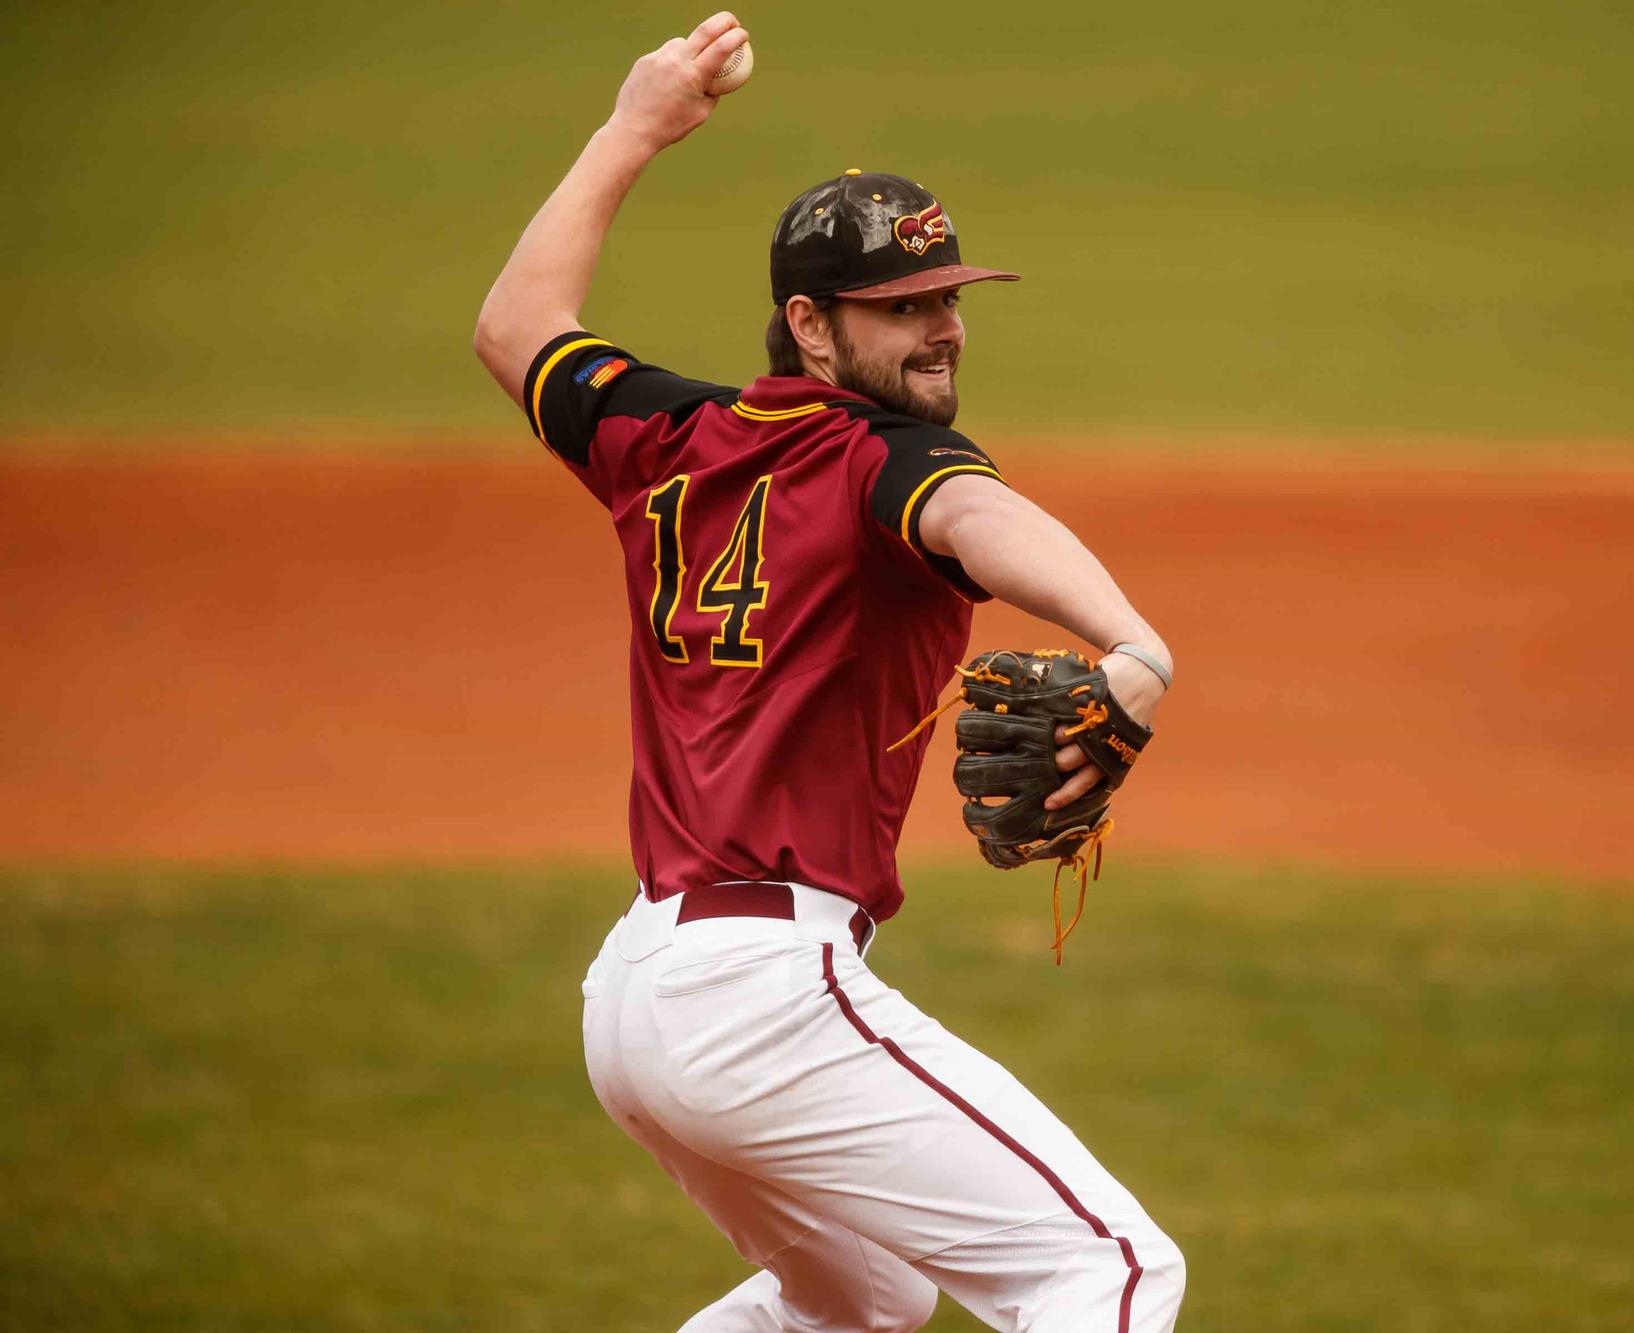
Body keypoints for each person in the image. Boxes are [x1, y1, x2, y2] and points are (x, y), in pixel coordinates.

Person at [473, 13, 1183, 1331]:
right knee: (1112, 1268)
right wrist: (1133, 641)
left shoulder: (663, 434)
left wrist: (632, 128)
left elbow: (517, 324)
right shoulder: (887, 465)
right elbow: (983, 520)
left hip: (638, 999)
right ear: (809, 323)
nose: (941, 331)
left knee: (864, 1299)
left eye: (947, 301)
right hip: (758, 997)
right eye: (900, 309)